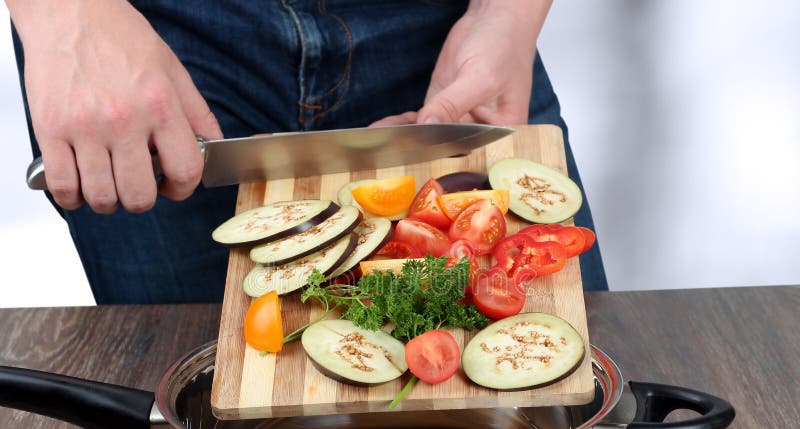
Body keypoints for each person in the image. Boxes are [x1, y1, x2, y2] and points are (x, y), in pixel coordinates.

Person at [7, 0, 608, 304]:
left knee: (566, 417)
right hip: (144, 32)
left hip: (442, 25)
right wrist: (66, 15)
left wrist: (509, 12)